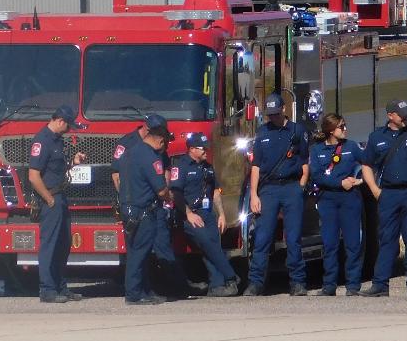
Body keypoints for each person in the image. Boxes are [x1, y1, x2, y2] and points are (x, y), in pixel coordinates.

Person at [360, 99, 407, 298]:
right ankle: (380, 284)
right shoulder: (377, 137)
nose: (406, 117)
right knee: (386, 240)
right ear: (390, 116)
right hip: (389, 195)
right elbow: (366, 165)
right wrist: (375, 190)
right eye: (402, 114)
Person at [245, 92, 310, 296]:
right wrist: (254, 195)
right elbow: (256, 166)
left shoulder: (297, 131)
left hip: (291, 187)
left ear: (284, 109)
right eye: (269, 114)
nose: (272, 117)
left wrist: (301, 185)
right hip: (269, 189)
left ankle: (297, 282)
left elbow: (305, 161)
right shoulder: (262, 133)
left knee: (293, 237)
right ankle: (255, 283)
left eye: (275, 113)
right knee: (263, 237)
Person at [25, 105, 87, 304]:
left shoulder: (57, 141)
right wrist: (49, 199)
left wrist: (73, 162)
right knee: (50, 245)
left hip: (60, 196)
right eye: (68, 126)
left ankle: (61, 287)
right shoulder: (42, 141)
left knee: (63, 244)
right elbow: (34, 176)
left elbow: (56, 169)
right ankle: (47, 289)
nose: (69, 130)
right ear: (60, 121)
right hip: (50, 199)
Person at [170, 131, 240, 297]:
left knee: (213, 246)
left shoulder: (208, 167)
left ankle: (216, 285)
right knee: (207, 243)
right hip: (190, 215)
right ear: (192, 149)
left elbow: (215, 192)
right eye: (202, 148)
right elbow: (176, 194)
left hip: (208, 213)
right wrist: (188, 214)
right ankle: (231, 276)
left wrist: (222, 214)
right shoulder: (181, 166)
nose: (205, 151)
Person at [114, 120, 176, 305]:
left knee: (135, 250)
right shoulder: (151, 158)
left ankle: (144, 290)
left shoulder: (129, 153)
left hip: (127, 208)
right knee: (139, 252)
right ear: (160, 141)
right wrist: (170, 198)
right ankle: (134, 294)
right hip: (143, 210)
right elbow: (161, 190)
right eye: (165, 143)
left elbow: (118, 179)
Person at [306, 113, 365, 297]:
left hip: (350, 199)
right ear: (331, 130)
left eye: (345, 125)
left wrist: (360, 181)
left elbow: (370, 164)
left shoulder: (352, 147)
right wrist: (340, 183)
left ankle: (353, 285)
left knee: (353, 243)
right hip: (327, 200)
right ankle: (329, 285)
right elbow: (317, 176)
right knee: (330, 243)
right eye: (342, 127)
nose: (345, 129)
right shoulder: (316, 151)